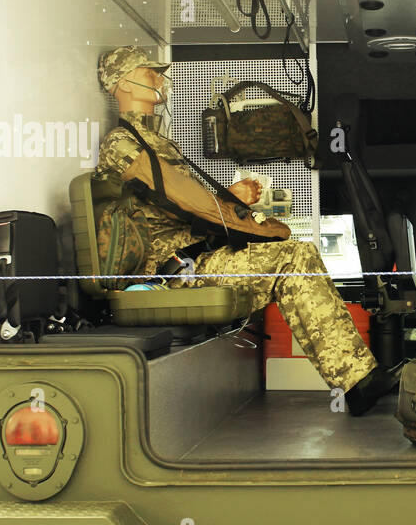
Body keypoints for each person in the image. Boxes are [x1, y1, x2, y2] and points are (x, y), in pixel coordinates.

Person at [94, 46, 397, 416]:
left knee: (296, 252)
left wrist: (237, 205)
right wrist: (246, 215)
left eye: (159, 71)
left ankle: (357, 381)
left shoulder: (159, 142)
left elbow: (186, 203)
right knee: (295, 256)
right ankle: (357, 383)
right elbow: (183, 199)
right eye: (148, 71)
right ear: (120, 83)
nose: (159, 78)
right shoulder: (121, 143)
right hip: (169, 274)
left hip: (196, 260)